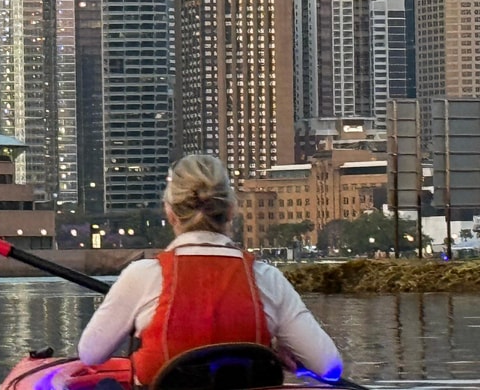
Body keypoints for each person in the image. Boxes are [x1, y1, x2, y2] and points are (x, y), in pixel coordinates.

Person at [77, 154, 343, 386]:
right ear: (231, 211)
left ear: (170, 212)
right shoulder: (267, 278)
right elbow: (330, 367)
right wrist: (274, 350)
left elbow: (90, 354)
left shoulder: (142, 275)